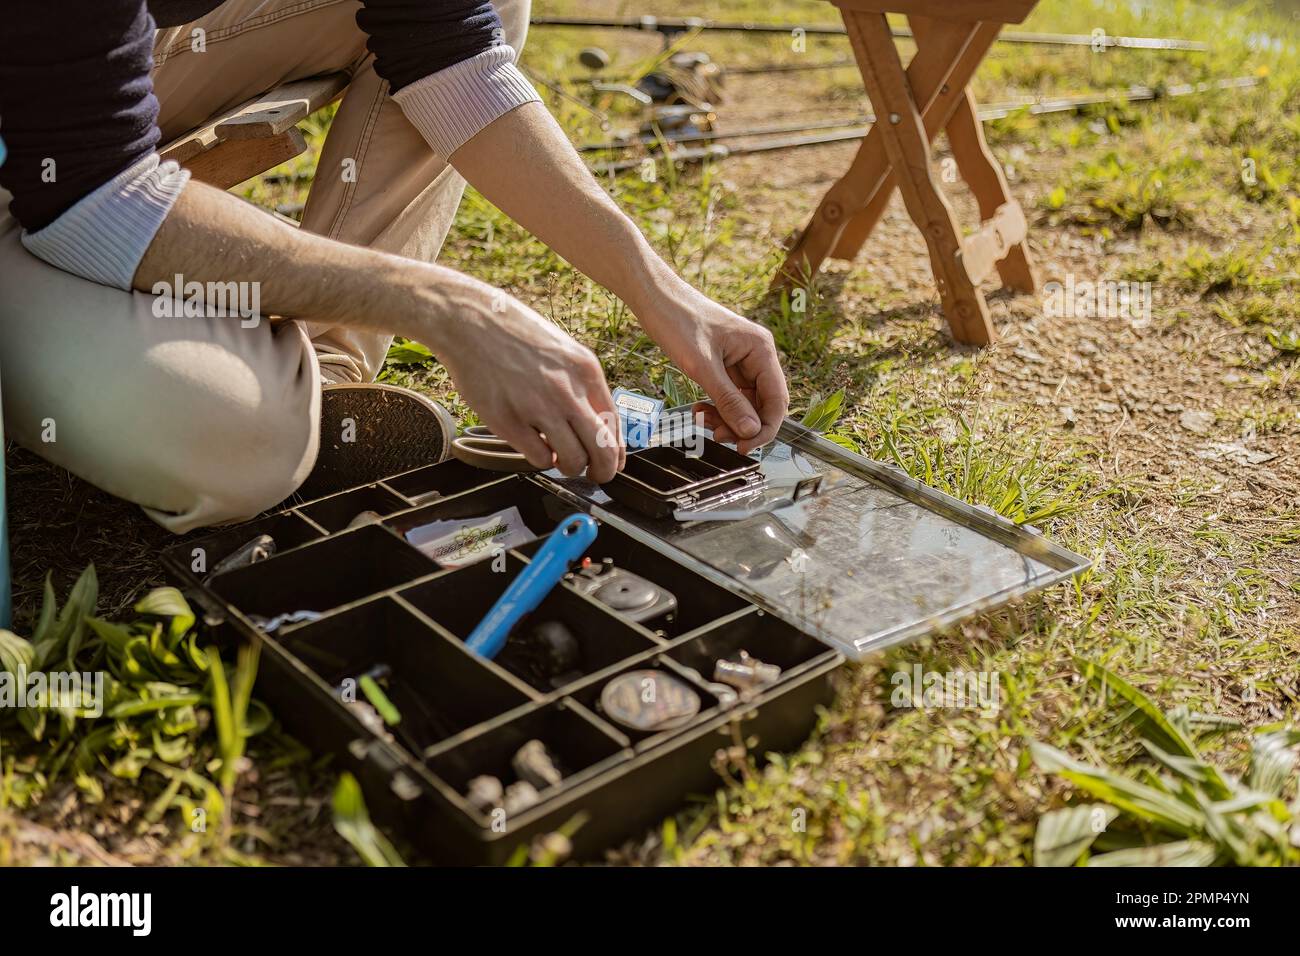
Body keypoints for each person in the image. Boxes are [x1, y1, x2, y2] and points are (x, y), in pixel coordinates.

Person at [0, 0, 788, 532]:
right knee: (248, 449)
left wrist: (662, 292)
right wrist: (451, 307)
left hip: (81, 100)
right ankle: (278, 409)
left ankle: (331, 375)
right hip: (53, 168)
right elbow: (89, 193)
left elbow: (448, 50)